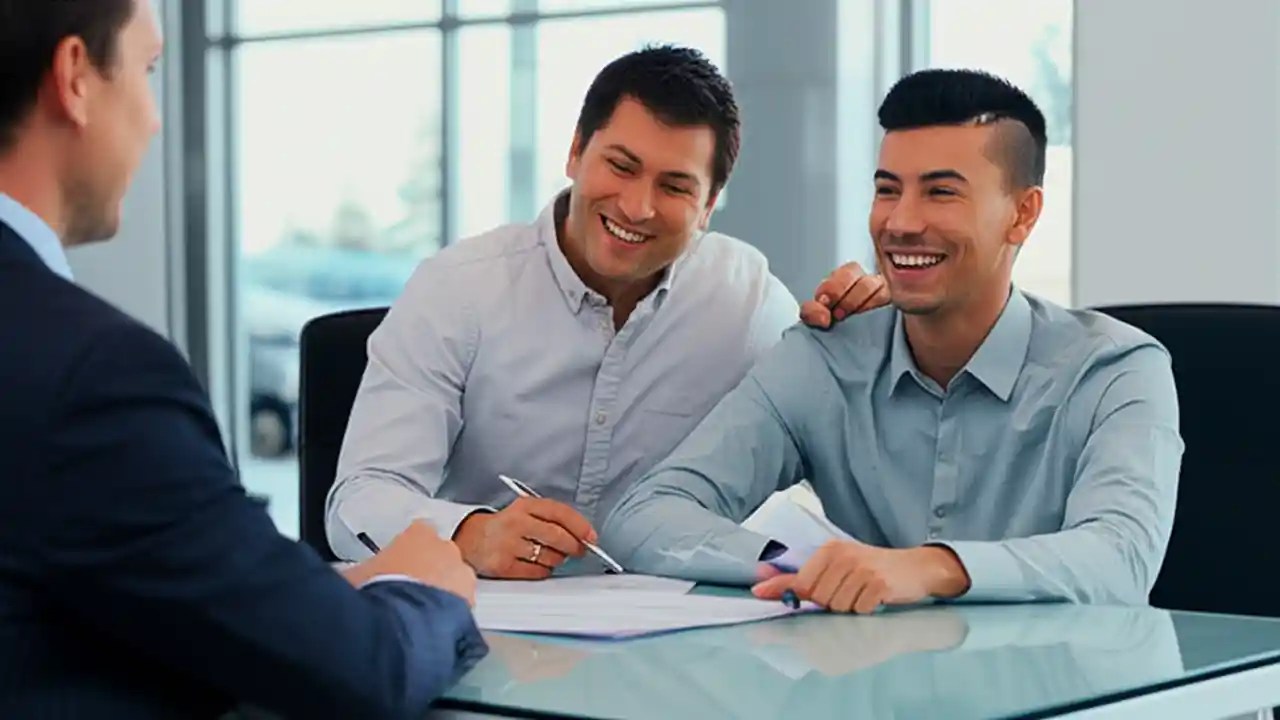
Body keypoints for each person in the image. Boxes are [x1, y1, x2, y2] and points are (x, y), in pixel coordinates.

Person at [0, 2, 487, 717]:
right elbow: (364, 674)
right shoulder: (93, 375)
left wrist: (296, 597)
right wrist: (426, 592)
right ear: (75, 77)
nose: (156, 118)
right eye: (149, 68)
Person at [600, 68, 1183, 612]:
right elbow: (646, 516)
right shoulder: (825, 357)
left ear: (1022, 215)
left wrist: (930, 569)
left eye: (940, 192)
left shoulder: (1116, 370)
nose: (900, 222)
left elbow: (1120, 557)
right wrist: (807, 568)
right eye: (887, 189)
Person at [325, 44, 889, 577]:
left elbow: (840, 464)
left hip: (675, 637)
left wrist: (872, 345)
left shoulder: (746, 302)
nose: (637, 207)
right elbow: (361, 498)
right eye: (621, 166)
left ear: (709, 206)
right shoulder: (458, 290)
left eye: (674, 186)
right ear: (575, 152)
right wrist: (468, 533)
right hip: (487, 623)